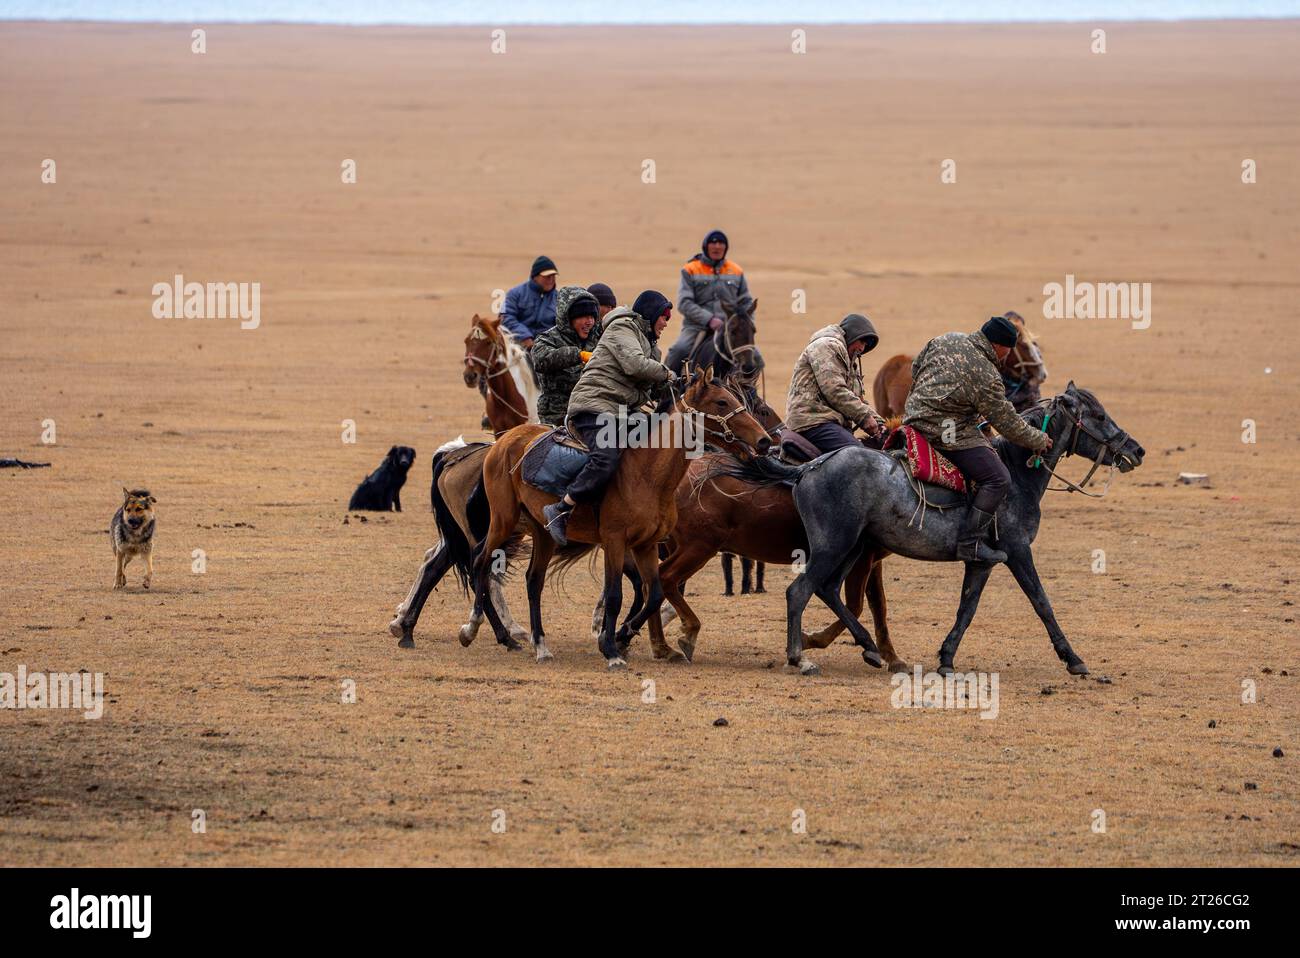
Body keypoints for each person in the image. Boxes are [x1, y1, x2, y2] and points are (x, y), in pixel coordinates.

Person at [903, 315, 1052, 564]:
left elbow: (916, 368)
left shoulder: (946, 338)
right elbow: (1005, 422)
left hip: (912, 419)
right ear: (1000, 346)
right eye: (1008, 350)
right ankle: (969, 543)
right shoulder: (986, 374)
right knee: (998, 478)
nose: (1007, 356)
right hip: (947, 432)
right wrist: (1037, 439)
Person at [542, 290, 677, 546]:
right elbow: (634, 365)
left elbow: (650, 386)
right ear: (650, 315)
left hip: (621, 412)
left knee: (658, 441)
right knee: (605, 458)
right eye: (664, 316)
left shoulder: (652, 347)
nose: (666, 322)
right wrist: (669, 374)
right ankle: (561, 508)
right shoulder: (622, 328)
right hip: (594, 407)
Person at [785, 313, 886, 454]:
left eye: (866, 345)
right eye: (862, 342)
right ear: (852, 335)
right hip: (812, 421)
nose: (862, 348)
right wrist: (864, 418)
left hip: (829, 423)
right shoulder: (826, 346)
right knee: (860, 457)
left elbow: (858, 401)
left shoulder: (849, 363)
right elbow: (834, 390)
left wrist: (883, 426)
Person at [666, 229, 754, 373]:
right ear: (706, 246)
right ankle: (668, 389)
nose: (717, 246)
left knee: (754, 357)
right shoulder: (690, 269)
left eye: (721, 243)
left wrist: (745, 325)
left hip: (730, 329)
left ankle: (751, 394)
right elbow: (684, 303)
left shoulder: (736, 270)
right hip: (696, 327)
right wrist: (709, 319)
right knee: (678, 351)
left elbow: (746, 302)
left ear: (726, 248)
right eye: (713, 243)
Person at [532, 286, 602, 427]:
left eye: (592, 317)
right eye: (584, 317)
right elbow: (540, 359)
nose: (589, 322)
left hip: (593, 413)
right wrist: (578, 355)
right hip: (556, 417)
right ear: (569, 317)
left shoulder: (599, 338)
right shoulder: (548, 339)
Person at [499, 255, 558, 348]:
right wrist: (524, 336)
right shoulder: (515, 294)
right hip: (517, 346)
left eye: (553, 276)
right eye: (547, 276)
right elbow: (506, 317)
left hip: (548, 347)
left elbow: (563, 325)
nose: (551, 279)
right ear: (535, 276)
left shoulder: (559, 298)